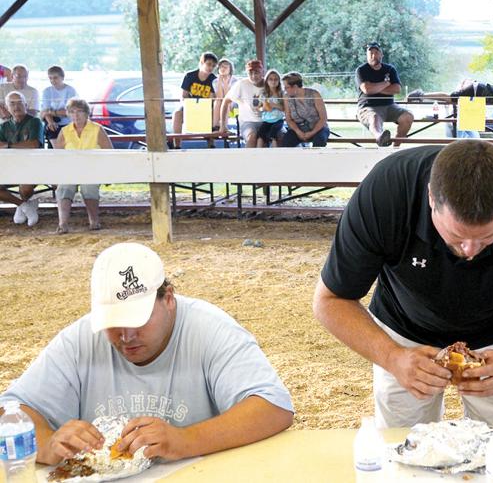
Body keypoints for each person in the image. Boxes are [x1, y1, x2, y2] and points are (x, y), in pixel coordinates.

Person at [312, 140, 493, 429]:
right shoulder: (387, 191)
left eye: (487, 238)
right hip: (403, 331)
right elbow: (330, 300)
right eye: (457, 236)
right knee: (402, 442)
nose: (470, 251)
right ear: (431, 197)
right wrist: (392, 357)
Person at [0, 242, 294, 464]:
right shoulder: (79, 339)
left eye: (137, 319)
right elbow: (9, 412)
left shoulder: (210, 328)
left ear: (169, 299)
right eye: (113, 322)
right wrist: (48, 444)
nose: (126, 336)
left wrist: (184, 440)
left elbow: (274, 407)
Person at [51, 98, 113, 234]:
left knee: (88, 186)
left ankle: (94, 220)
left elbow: (109, 152)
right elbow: (58, 156)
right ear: (68, 114)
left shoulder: (97, 129)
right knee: (64, 187)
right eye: (72, 112)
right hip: (70, 170)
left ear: (86, 113)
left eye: (79, 111)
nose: (76, 115)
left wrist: (107, 173)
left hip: (92, 170)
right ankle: (62, 223)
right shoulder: (65, 131)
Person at [356, 42, 413, 147]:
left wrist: (375, 88)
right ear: (367, 56)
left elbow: (397, 89)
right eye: (371, 53)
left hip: (390, 106)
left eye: (376, 52)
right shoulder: (361, 70)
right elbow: (367, 89)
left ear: (381, 55)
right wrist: (386, 84)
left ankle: (395, 147)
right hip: (368, 107)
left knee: (408, 116)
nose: (373, 55)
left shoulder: (390, 69)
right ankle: (380, 138)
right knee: (374, 118)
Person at [0, 91, 44, 227]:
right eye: (12, 103)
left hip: (33, 166)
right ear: (6, 107)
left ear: (26, 105)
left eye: (19, 103)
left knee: (25, 188)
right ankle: (24, 205)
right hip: (10, 167)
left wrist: (8, 145)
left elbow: (34, 144)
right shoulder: (4, 126)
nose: (16, 106)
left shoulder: (35, 121)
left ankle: (24, 204)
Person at [172, 52, 218, 143]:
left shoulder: (214, 79)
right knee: (177, 113)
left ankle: (211, 144)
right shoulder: (189, 76)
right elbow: (184, 95)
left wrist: (203, 106)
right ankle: (176, 144)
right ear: (202, 62)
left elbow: (212, 99)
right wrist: (190, 105)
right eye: (209, 64)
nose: (211, 68)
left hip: (206, 107)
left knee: (213, 112)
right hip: (190, 105)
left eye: (213, 66)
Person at [219, 59, 265, 147]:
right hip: (248, 122)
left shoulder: (270, 83)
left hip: (267, 121)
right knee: (252, 137)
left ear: (262, 72)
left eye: (256, 72)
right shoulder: (241, 84)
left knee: (277, 136)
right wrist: (223, 125)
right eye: (250, 73)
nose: (253, 76)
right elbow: (226, 101)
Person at [281, 72, 329, 148]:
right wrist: (298, 131)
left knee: (319, 140)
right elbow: (288, 119)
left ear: (295, 87)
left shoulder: (314, 94)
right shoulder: (287, 97)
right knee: (286, 141)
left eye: (287, 87)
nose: (285, 90)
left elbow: (323, 118)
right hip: (298, 129)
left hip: (318, 128)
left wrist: (312, 132)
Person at [407, 79, 493, 106]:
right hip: (477, 90)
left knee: (452, 100)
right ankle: (421, 95)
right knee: (451, 98)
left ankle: (421, 96)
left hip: (477, 91)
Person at [40, 66, 79, 140]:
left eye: (55, 78)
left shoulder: (71, 90)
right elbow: (45, 111)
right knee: (51, 129)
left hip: (68, 123)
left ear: (62, 78)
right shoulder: (46, 91)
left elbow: (69, 112)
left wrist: (51, 112)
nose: (52, 80)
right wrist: (51, 122)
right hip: (53, 122)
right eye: (50, 78)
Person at [257, 69, 285, 147]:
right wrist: (263, 108)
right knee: (260, 135)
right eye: (271, 79)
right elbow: (259, 108)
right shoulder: (263, 94)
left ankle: (274, 152)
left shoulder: (281, 93)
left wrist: (274, 105)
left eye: (276, 79)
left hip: (278, 120)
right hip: (266, 120)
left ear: (279, 81)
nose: (273, 81)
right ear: (267, 81)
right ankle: (257, 152)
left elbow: (284, 108)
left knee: (273, 134)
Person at [212, 58, 238, 132]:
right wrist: (220, 81)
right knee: (217, 101)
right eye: (221, 67)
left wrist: (226, 83)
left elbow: (228, 97)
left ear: (230, 69)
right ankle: (216, 126)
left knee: (226, 102)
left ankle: (224, 126)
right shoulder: (215, 81)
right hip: (220, 102)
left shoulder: (235, 81)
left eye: (225, 67)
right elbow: (219, 97)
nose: (223, 69)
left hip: (233, 102)